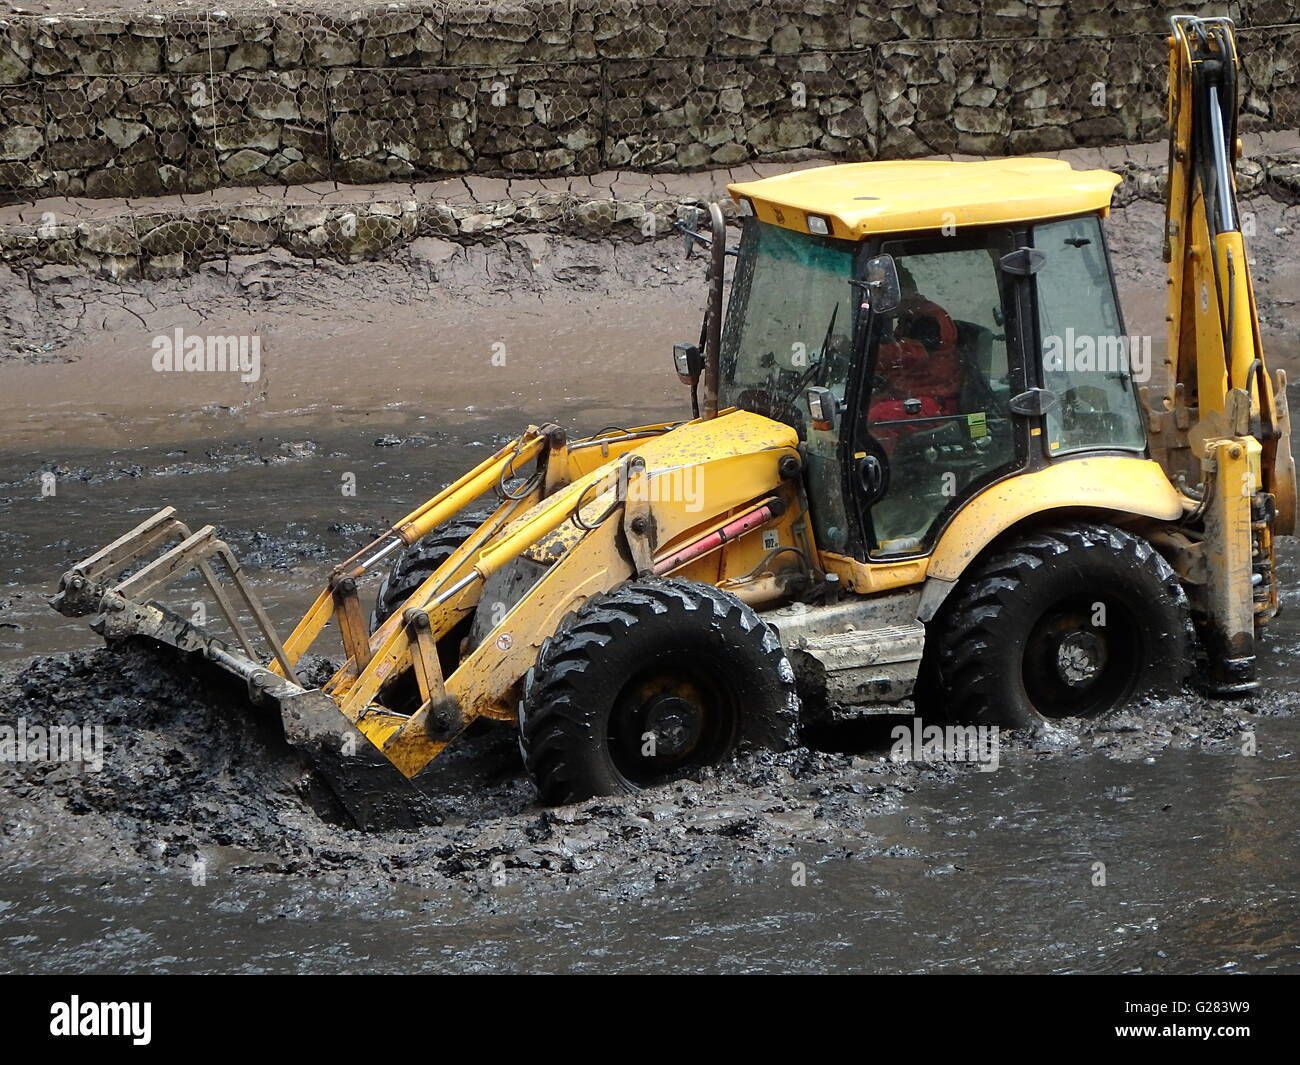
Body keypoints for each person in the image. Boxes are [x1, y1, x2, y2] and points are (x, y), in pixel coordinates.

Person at [867, 263, 961, 450]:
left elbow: (904, 355)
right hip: (912, 394)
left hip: (934, 404)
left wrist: (862, 354)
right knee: (859, 409)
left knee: (878, 418)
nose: (877, 300)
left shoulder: (928, 320)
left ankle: (880, 471)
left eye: (881, 293)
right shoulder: (909, 316)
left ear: (899, 292)